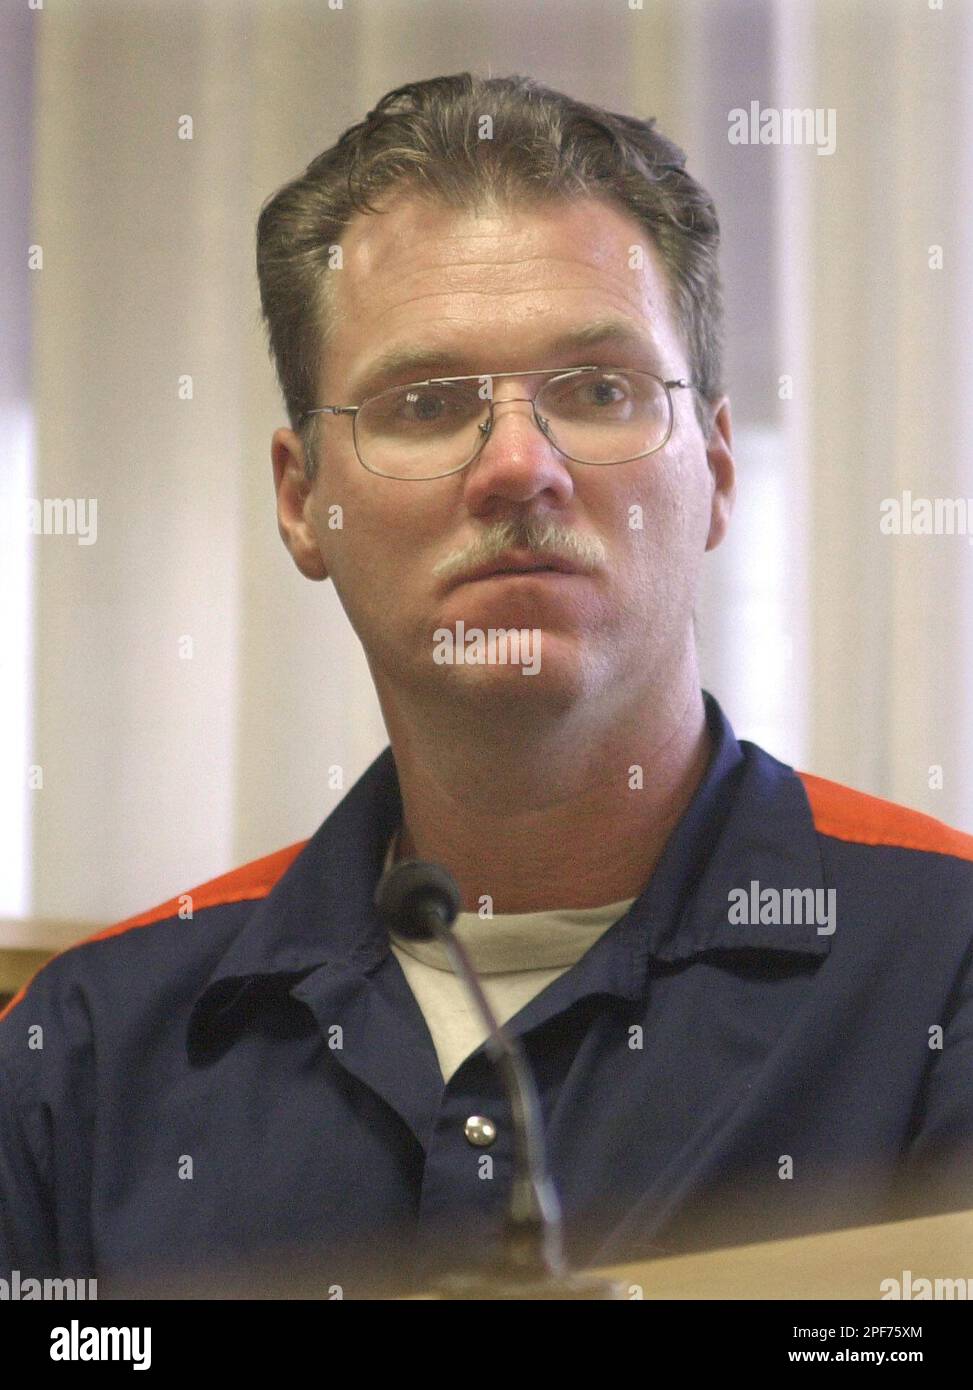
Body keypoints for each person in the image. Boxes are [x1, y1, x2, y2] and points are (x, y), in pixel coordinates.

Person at [2, 72, 971, 1299]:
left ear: (717, 472)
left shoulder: (943, 969)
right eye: (427, 404)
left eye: (600, 391)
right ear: (304, 502)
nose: (519, 465)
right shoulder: (85, 1053)